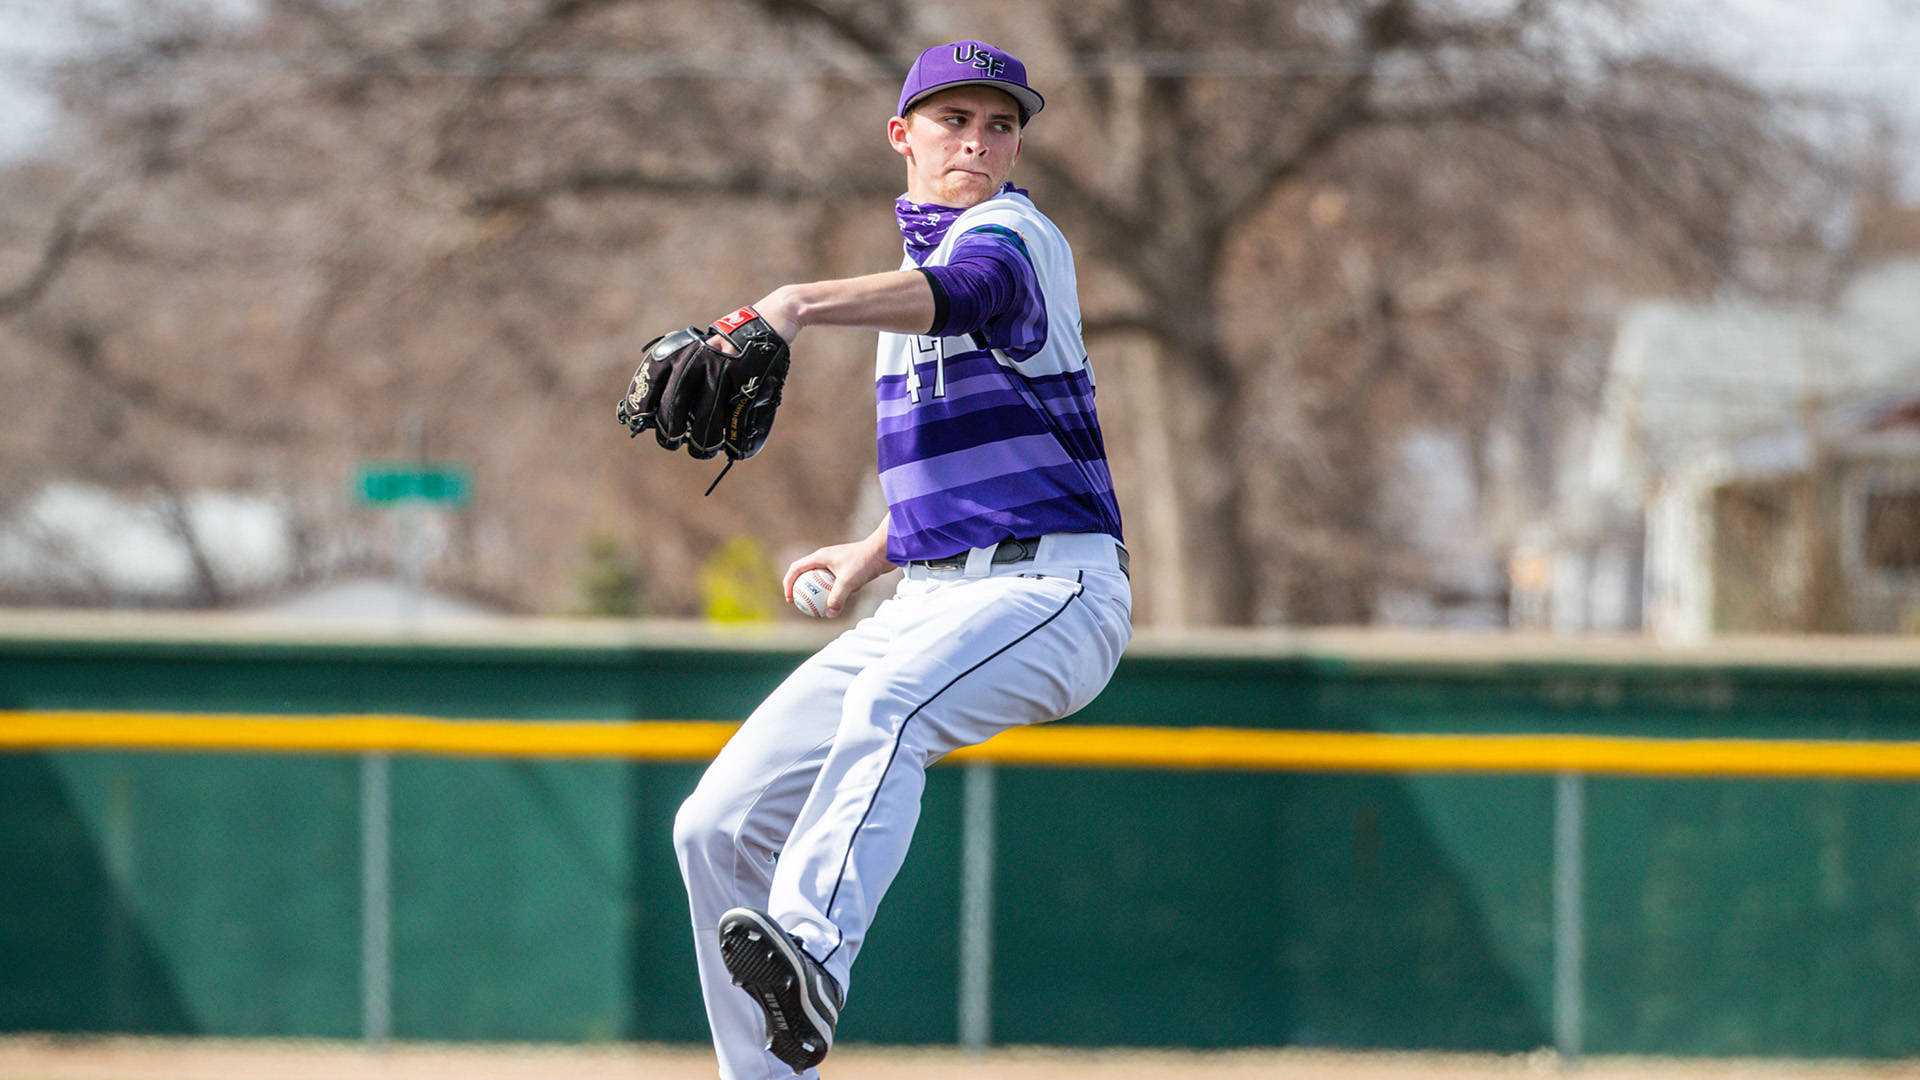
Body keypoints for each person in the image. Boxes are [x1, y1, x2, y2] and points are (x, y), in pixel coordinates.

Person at [671, 40, 1132, 1080]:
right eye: (953, 119)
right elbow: (971, 469)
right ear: (902, 134)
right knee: (715, 826)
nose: (977, 140)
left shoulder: (1012, 236)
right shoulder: (909, 290)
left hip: (1056, 590)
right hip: (932, 596)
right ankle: (768, 1074)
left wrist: (787, 304)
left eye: (999, 124)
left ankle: (818, 954)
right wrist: (872, 551)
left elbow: (962, 294)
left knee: (897, 706)